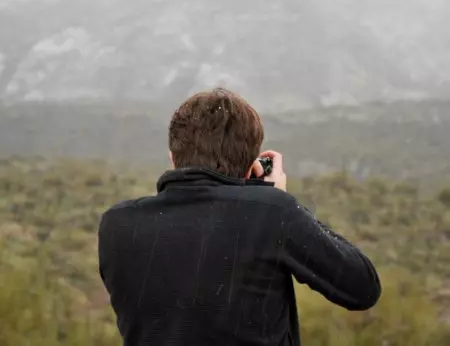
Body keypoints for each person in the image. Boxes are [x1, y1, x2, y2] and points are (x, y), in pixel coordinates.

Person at [98, 88, 381, 346]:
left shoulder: (117, 224)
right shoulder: (271, 213)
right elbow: (362, 287)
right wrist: (278, 199)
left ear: (173, 158)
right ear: (251, 168)